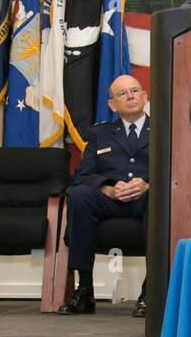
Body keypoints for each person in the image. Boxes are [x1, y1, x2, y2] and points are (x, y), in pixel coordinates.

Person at [59, 75, 150, 317]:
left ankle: (151, 291)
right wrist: (107, 188)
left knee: (161, 200)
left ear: (145, 97)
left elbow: (176, 173)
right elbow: (82, 175)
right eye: (122, 93)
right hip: (110, 200)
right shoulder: (100, 134)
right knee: (79, 195)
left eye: (134, 91)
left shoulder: (163, 129)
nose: (130, 96)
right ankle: (84, 291)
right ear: (112, 105)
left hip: (146, 199)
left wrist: (149, 185)